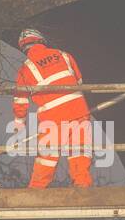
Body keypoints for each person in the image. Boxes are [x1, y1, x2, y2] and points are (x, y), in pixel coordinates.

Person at [11, 28, 93, 188]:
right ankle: (82, 187)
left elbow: (20, 100)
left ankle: (36, 191)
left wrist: (19, 124)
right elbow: (80, 82)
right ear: (42, 40)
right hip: (78, 111)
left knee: (47, 157)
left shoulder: (25, 69)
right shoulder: (64, 55)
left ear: (24, 48)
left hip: (53, 117)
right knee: (80, 151)